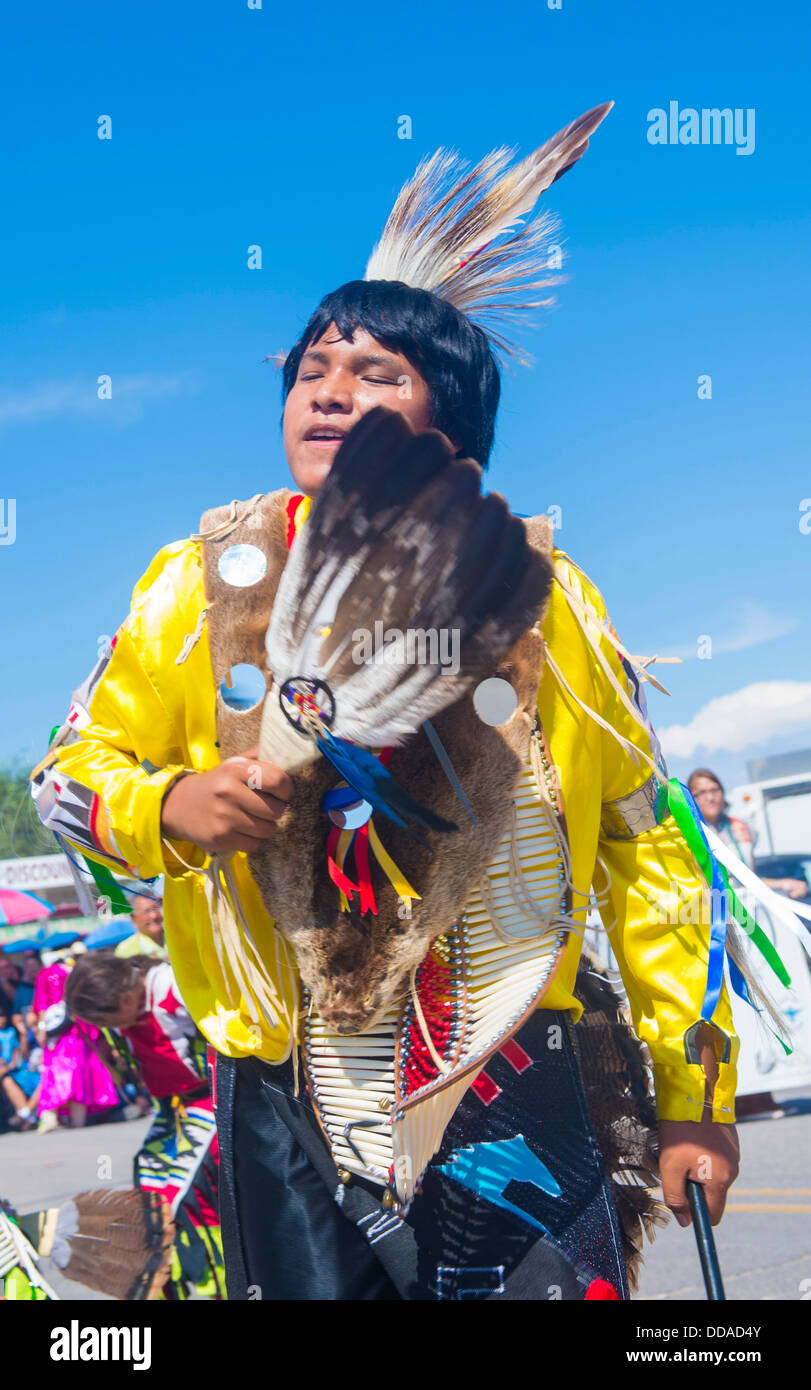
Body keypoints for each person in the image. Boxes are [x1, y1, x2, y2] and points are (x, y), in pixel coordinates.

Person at [31, 102, 777, 1301]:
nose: (327, 389)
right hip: (290, 1090)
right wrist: (167, 804)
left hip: (517, 1069)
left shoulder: (549, 604)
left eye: (375, 371)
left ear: (454, 430)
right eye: (310, 368)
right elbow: (67, 773)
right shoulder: (196, 586)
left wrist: (701, 1101)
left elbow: (655, 849)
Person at [65, 951, 224, 1299]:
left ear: (124, 998)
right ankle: (167, 1288)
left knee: (185, 1195)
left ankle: (222, 1282)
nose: (110, 1031)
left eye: (108, 1022)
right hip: (172, 1111)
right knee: (148, 1203)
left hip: (212, 1104)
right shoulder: (132, 998)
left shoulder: (169, 985)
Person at [31, 952, 119, 1132]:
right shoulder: (80, 971)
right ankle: (77, 1120)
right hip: (82, 1030)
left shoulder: (47, 973)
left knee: (56, 1073)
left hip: (60, 1033)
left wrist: (41, 1027)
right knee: (81, 1073)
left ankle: (50, 1117)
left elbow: (41, 1003)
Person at [688, 768, 807, 897]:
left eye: (714, 790)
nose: (710, 798)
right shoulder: (686, 836)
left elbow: (747, 881)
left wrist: (783, 884)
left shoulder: (744, 829)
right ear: (690, 798)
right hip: (712, 909)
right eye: (700, 793)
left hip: (745, 908)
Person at [115, 891, 167, 959]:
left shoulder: (177, 936)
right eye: (146, 911)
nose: (154, 915)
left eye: (156, 909)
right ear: (133, 918)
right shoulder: (126, 950)